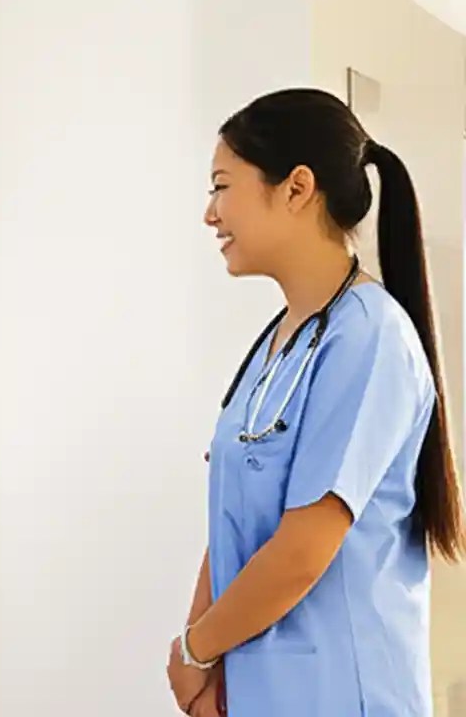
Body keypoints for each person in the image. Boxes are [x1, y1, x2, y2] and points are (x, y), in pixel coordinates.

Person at [167, 88, 466, 717]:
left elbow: (303, 549)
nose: (209, 214)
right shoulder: (279, 345)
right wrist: (202, 662)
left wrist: (196, 650)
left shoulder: (370, 335)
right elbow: (234, 526)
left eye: (222, 187)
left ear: (297, 188)